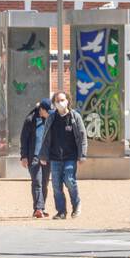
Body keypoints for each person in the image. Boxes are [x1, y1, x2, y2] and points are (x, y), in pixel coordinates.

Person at [37, 91, 87, 219]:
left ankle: (76, 204)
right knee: (56, 185)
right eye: (57, 101)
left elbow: (82, 136)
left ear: (68, 101)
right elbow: (45, 137)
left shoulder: (74, 117)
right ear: (54, 103)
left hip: (70, 156)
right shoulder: (51, 118)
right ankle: (61, 211)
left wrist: (82, 155)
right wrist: (43, 155)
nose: (60, 103)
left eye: (62, 100)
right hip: (55, 157)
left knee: (69, 180)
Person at [20, 98, 52, 218]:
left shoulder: (50, 119)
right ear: (41, 109)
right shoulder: (30, 120)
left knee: (44, 183)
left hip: (47, 157)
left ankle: (41, 208)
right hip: (33, 156)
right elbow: (24, 139)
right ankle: (37, 208)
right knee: (37, 181)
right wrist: (23, 156)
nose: (49, 113)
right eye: (47, 111)